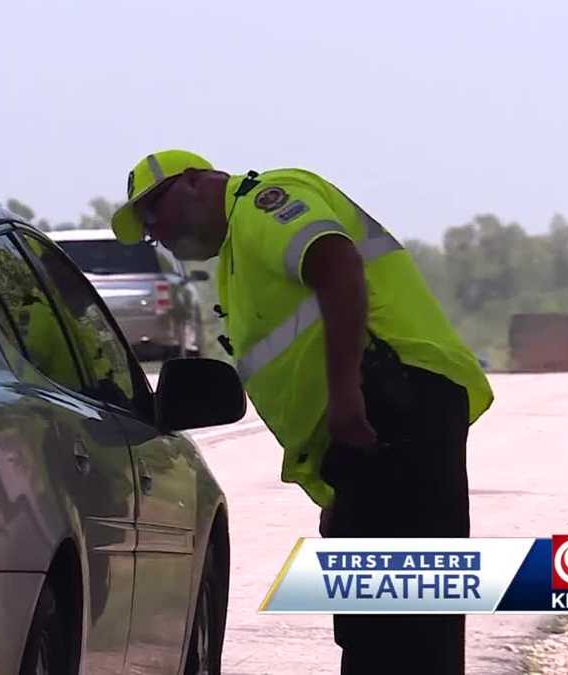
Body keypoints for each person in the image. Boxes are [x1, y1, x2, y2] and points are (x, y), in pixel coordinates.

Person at [109, 150, 494, 674]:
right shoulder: (238, 260)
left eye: (155, 211)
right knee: (380, 616)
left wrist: (346, 397)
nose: (159, 232)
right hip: (377, 426)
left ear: (196, 182)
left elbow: (337, 265)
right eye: (148, 228)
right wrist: (337, 489)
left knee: (402, 620)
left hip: (394, 401)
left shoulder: (265, 204)